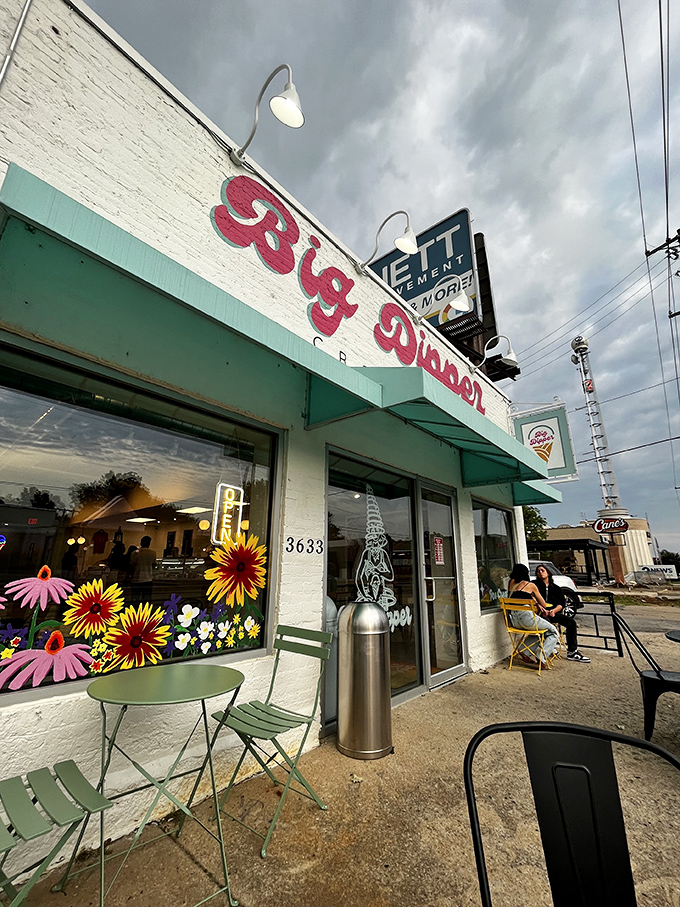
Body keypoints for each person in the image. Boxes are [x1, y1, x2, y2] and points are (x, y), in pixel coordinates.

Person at [534, 564, 590, 663]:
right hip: (539, 614)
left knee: (571, 623)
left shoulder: (555, 588)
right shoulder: (534, 585)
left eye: (542, 570)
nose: (540, 572)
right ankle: (549, 646)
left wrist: (554, 611)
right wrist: (540, 607)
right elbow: (531, 598)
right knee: (547, 625)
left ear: (548, 572)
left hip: (552, 613)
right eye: (538, 571)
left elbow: (561, 603)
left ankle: (572, 651)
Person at [507, 563, 559, 665]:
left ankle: (524, 651)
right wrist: (536, 601)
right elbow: (544, 604)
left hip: (514, 621)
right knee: (553, 632)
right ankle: (541, 657)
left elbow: (519, 596)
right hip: (527, 620)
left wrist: (533, 601)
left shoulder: (511, 583)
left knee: (540, 632)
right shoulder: (530, 585)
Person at [129, 536, 156, 603]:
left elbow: (132, 565)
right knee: (146, 601)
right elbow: (153, 565)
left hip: (136, 579)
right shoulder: (153, 553)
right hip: (148, 579)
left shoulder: (135, 553)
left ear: (141, 543)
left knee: (135, 600)